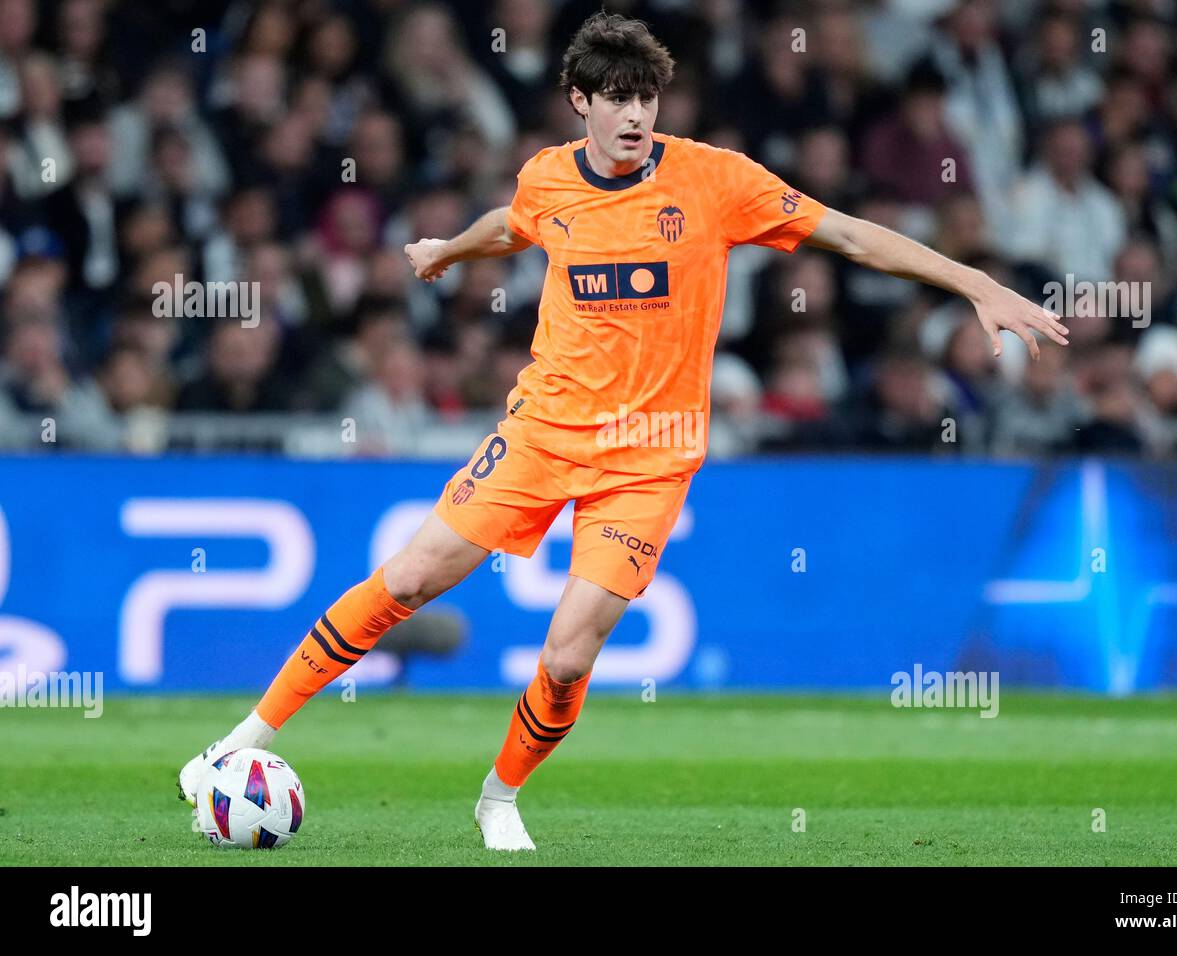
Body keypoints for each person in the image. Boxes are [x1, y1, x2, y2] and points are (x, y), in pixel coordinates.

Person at [177, 11, 1068, 852]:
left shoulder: (717, 182)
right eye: (619, 99)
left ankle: (499, 799)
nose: (637, 115)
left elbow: (852, 236)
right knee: (408, 576)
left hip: (650, 460)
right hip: (543, 432)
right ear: (583, 103)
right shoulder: (548, 176)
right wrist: (451, 248)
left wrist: (973, 284)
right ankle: (236, 742)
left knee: (568, 654)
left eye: (648, 99)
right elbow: (515, 225)